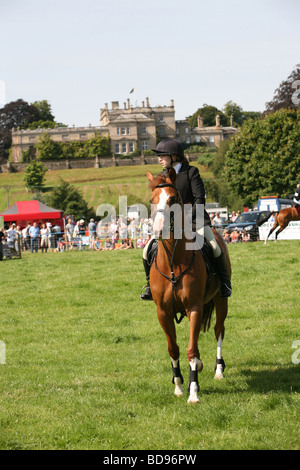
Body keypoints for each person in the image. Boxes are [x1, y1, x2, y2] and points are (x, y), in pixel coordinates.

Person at [140, 138, 232, 300]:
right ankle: (149, 285)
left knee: (214, 246)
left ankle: (223, 283)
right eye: (159, 156)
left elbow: (199, 198)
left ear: (174, 157)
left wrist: (188, 219)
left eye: (163, 155)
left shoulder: (191, 172)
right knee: (147, 250)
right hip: (170, 225)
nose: (159, 159)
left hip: (196, 221)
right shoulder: (161, 176)